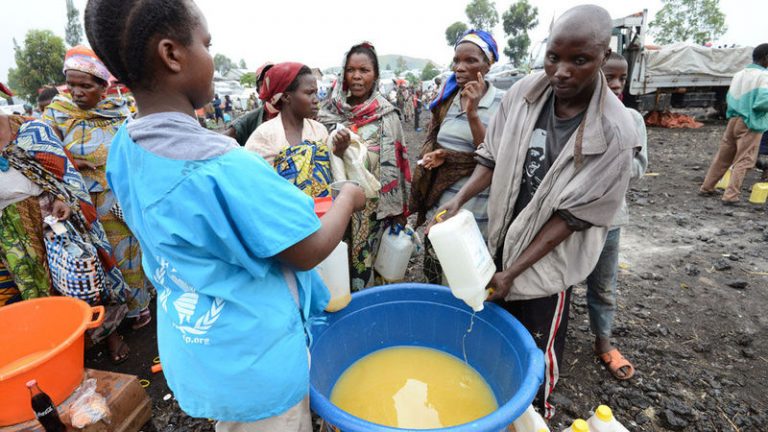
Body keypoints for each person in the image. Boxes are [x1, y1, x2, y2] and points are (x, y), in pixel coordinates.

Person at [84, 1, 365, 430]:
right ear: (172, 54)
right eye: (206, 43)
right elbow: (308, 250)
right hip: (259, 363)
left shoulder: (125, 145)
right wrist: (348, 196)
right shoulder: (225, 169)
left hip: (204, 351)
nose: (212, 59)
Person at [429, 5, 639, 418]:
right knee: (495, 329)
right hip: (503, 238)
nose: (561, 71)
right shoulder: (526, 94)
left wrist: (513, 271)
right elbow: (490, 156)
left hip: (548, 259)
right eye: (553, 57)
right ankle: (490, 407)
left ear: (602, 56)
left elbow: (572, 217)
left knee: (536, 344)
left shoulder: (614, 131)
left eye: (579, 60)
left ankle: (532, 413)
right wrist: (458, 199)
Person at [0, 112, 138, 362]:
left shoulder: (32, 130)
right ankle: (67, 346)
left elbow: (65, 172)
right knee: (40, 289)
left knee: (85, 277)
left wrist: (64, 199)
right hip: (10, 231)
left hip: (54, 216)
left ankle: (110, 334)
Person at [42, 45, 151, 329]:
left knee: (128, 254)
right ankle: (107, 322)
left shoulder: (118, 112)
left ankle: (136, 308)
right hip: (80, 203)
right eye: (72, 85)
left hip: (118, 198)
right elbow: (46, 155)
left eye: (86, 86)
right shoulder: (56, 113)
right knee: (97, 263)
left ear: (103, 86)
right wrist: (68, 161)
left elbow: (135, 151)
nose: (77, 92)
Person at [410, 29, 504, 284]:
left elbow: (494, 157)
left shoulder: (504, 104)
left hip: (476, 211)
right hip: (441, 206)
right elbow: (453, 147)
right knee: (436, 278)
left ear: (489, 63)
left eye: (470, 61)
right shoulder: (449, 101)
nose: (460, 68)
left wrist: (473, 114)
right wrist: (442, 155)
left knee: (469, 283)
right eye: (456, 61)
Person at [318, 42, 411, 290]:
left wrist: (399, 210)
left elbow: (400, 165)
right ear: (343, 73)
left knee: (373, 270)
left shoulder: (387, 115)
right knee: (337, 269)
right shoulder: (328, 113)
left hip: (375, 212)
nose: (357, 76)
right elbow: (316, 159)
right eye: (351, 70)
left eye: (364, 70)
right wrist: (336, 148)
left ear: (376, 75)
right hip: (337, 210)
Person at [586, 52, 648, 381]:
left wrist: (621, 160)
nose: (616, 84)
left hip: (610, 220)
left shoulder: (632, 119)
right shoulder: (579, 116)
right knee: (560, 283)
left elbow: (640, 168)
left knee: (604, 285)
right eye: (609, 77)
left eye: (621, 79)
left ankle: (603, 341)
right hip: (571, 220)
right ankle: (551, 338)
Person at [245, 63, 330, 197]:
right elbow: (253, 185)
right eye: (309, 93)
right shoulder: (264, 136)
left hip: (321, 213)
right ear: (286, 97)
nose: (316, 100)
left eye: (316, 92)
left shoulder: (319, 131)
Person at [699, 43, 768, 204]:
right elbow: (762, 103)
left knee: (723, 157)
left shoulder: (740, 74)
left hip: (733, 120)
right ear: (766, 58)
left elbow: (730, 98)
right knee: (744, 160)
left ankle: (707, 187)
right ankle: (731, 196)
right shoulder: (764, 76)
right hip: (750, 122)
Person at [224, 63, 272, 146]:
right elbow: (223, 141)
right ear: (258, 91)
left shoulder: (296, 114)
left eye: (274, 81)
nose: (271, 87)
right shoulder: (247, 121)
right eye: (263, 84)